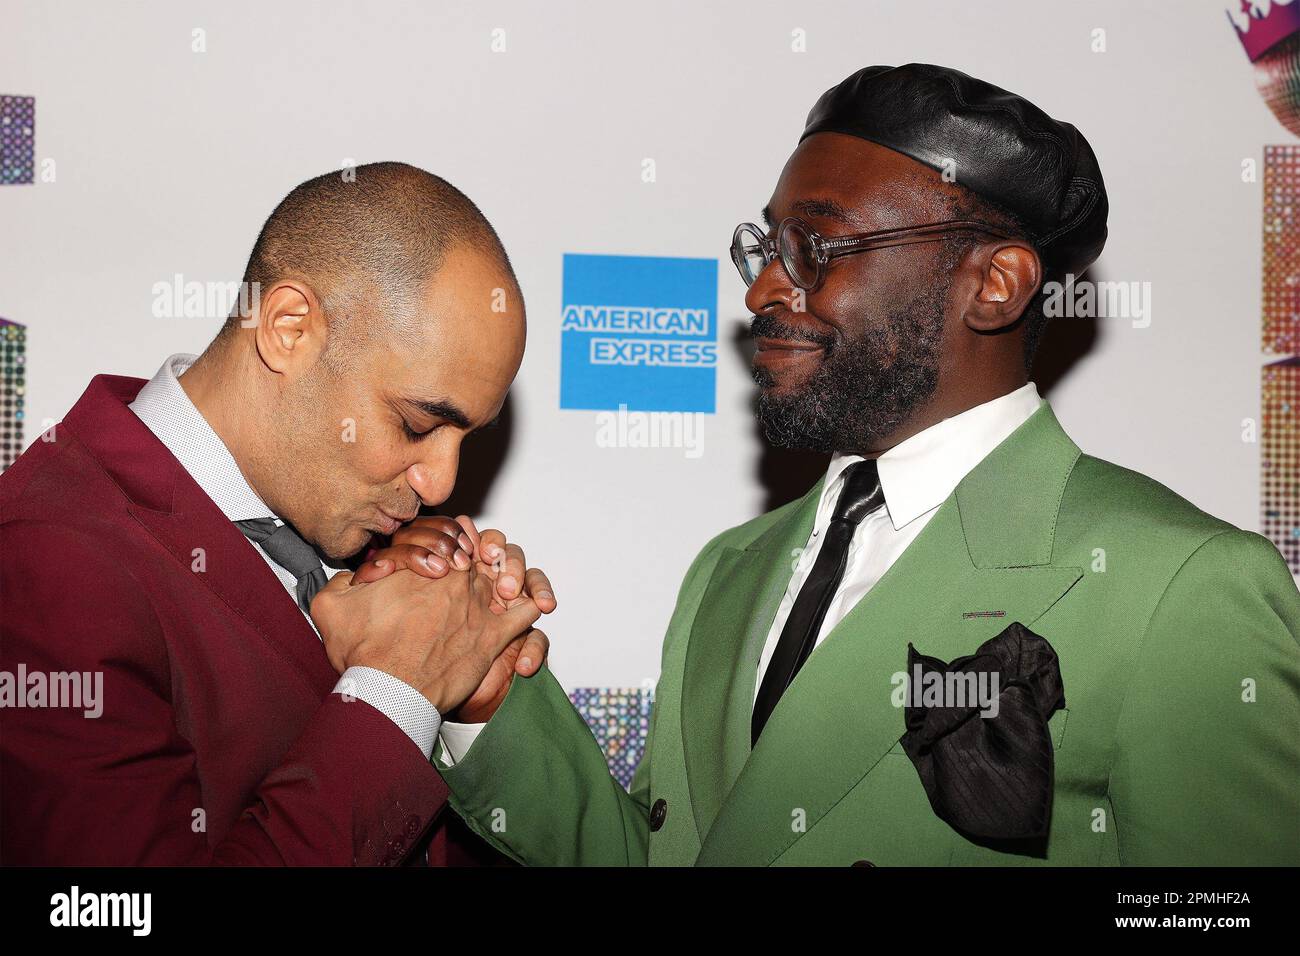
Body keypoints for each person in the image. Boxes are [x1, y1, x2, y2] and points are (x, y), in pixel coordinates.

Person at [412, 64, 1300, 866]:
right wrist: (489, 701)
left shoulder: (1183, 587)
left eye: (817, 248)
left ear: (994, 284)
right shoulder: (730, 569)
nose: (762, 288)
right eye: (766, 247)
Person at [0, 162, 551, 865]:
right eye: (416, 424)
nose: (442, 484)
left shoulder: (369, 555)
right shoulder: (49, 560)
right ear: (289, 329)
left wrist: (463, 703)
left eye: (467, 439)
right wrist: (398, 687)